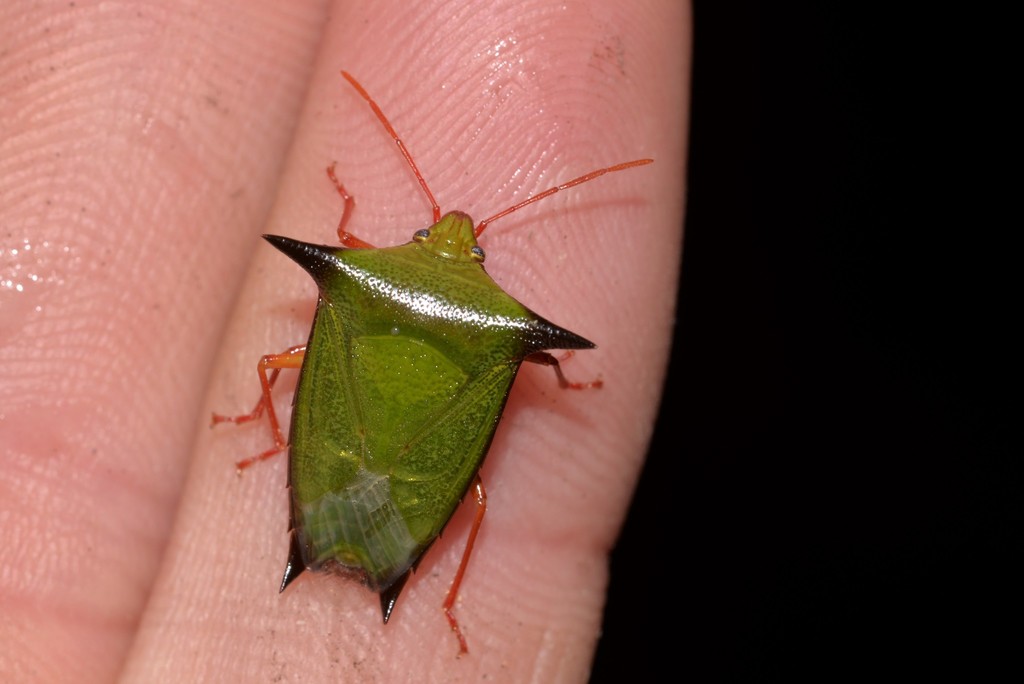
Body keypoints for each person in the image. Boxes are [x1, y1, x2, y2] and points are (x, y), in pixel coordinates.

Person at [0, 2, 688, 680]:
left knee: (272, 364)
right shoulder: (500, 339)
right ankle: (444, 605)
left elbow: (334, 256)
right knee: (476, 500)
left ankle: (267, 437)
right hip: (420, 488)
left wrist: (270, 424)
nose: (448, 234)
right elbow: (542, 368)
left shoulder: (365, 282)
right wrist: (563, 375)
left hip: (332, 459)